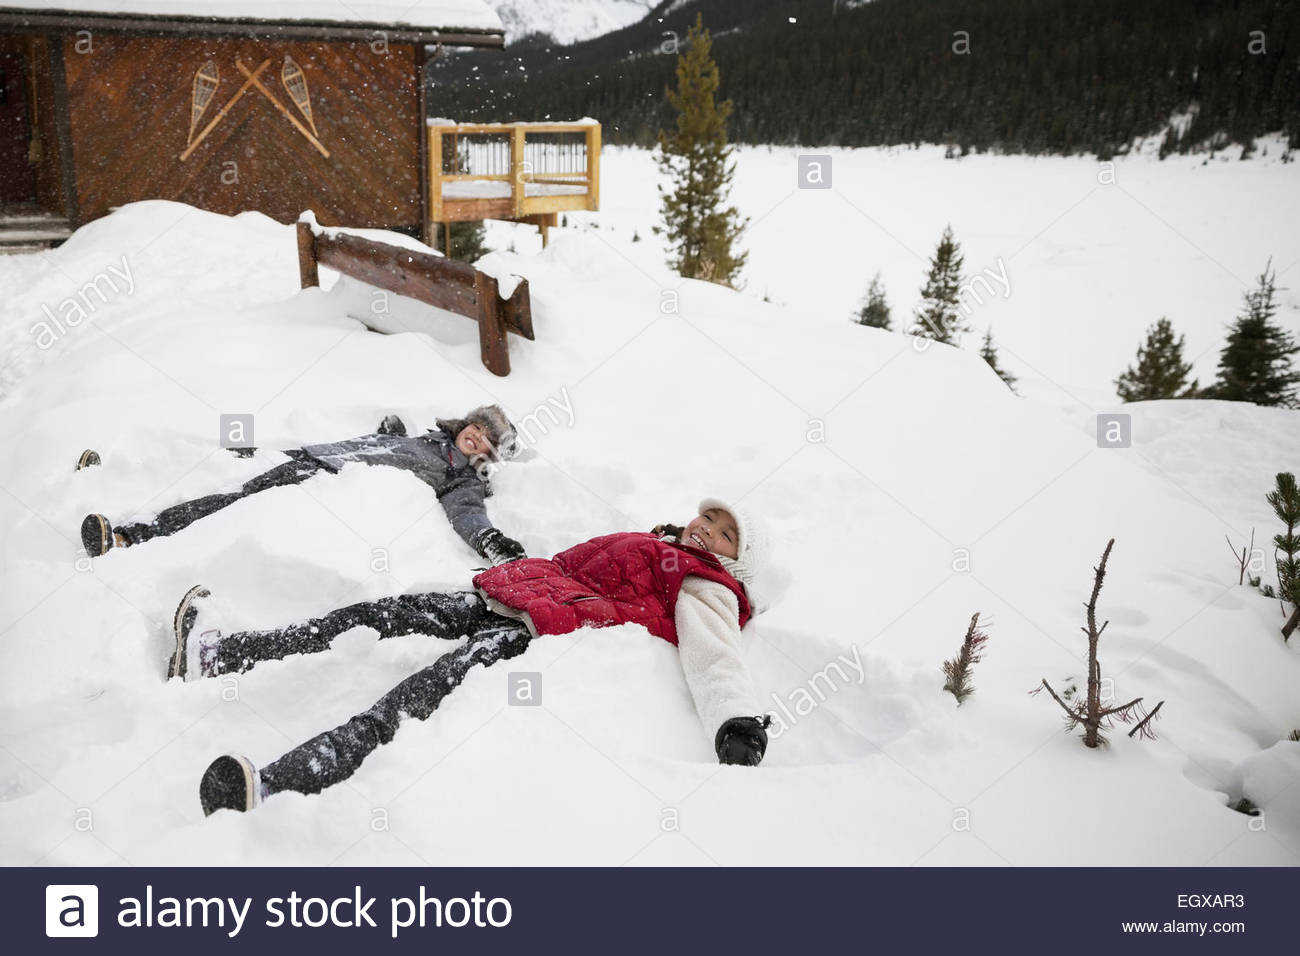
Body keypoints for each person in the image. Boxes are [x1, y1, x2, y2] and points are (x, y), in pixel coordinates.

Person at [183, 498, 774, 814]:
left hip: (533, 632)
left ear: (736, 559)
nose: (708, 530)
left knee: (415, 697)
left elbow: (714, 653)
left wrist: (736, 722)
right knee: (373, 614)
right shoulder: (662, 542)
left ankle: (276, 785)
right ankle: (226, 654)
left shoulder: (707, 585)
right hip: (508, 596)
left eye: (725, 533)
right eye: (709, 517)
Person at [77, 405, 527, 567]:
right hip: (310, 454)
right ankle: (108, 472)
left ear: (485, 457)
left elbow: (467, 513)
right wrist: (389, 432)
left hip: (322, 479)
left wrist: (489, 540)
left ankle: (130, 535)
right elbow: (385, 445)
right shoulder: (429, 440)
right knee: (222, 463)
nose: (477, 436)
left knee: (232, 500)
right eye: (477, 426)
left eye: (486, 440)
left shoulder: (459, 477)